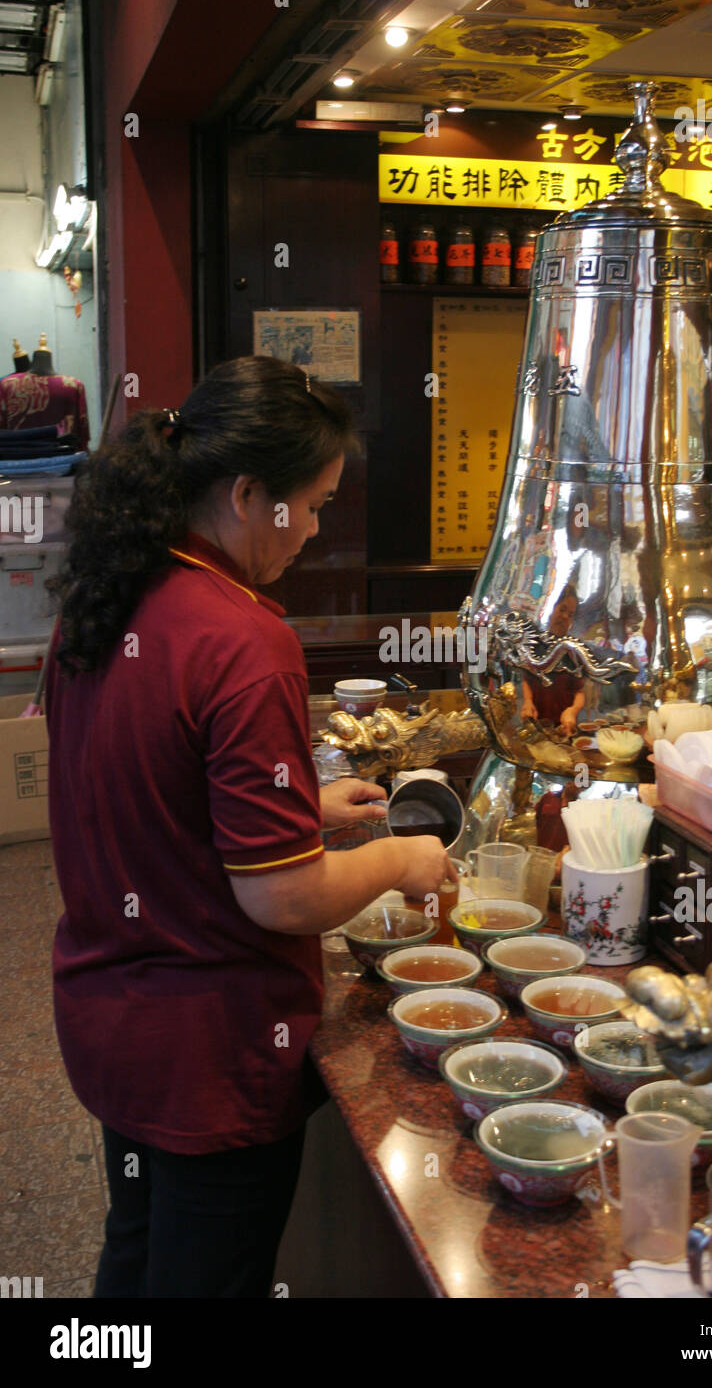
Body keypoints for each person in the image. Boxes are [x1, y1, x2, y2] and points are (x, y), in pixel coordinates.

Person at [45, 356, 454, 1298]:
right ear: (245, 494)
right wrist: (399, 857)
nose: (313, 530)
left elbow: (139, 786)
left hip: (113, 1017)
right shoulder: (243, 638)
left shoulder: (108, 593)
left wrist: (296, 809)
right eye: (310, 505)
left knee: (137, 1255)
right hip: (208, 1053)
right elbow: (282, 894)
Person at [520, 584, 585, 734]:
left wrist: (573, 710)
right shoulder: (534, 645)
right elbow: (526, 680)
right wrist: (528, 701)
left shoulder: (571, 651)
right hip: (537, 723)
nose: (565, 617)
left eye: (570, 614)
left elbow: (580, 692)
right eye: (562, 609)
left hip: (564, 725)